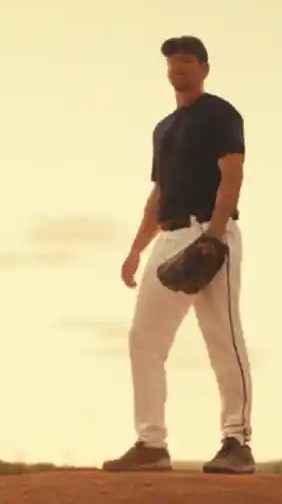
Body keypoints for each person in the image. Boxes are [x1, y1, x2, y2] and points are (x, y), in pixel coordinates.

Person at [102, 35, 255, 474]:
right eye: (171, 62)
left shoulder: (221, 114)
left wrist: (216, 235)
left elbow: (233, 175)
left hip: (211, 230)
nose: (177, 68)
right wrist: (135, 250)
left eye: (186, 60)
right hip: (169, 237)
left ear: (204, 67)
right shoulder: (164, 128)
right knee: (143, 340)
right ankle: (151, 444)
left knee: (222, 337)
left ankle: (236, 441)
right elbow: (160, 193)